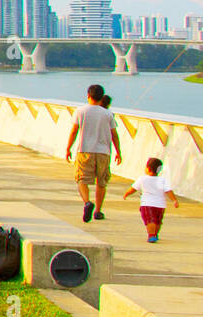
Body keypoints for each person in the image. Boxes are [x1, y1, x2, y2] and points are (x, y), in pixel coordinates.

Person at [65, 84, 122, 223]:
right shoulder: (108, 114)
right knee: (101, 182)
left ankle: (87, 202)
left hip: (85, 150)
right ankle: (98, 211)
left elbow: (74, 131)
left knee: (82, 180)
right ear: (101, 97)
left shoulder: (80, 111)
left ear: (88, 96)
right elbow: (114, 135)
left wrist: (68, 148)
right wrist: (119, 152)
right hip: (103, 152)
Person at [124, 158, 179, 243]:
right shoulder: (162, 180)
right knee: (157, 221)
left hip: (147, 204)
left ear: (148, 168)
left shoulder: (142, 179)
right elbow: (168, 191)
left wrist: (127, 193)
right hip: (160, 205)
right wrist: (174, 200)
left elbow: (133, 189)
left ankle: (151, 235)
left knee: (150, 220)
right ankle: (155, 233)